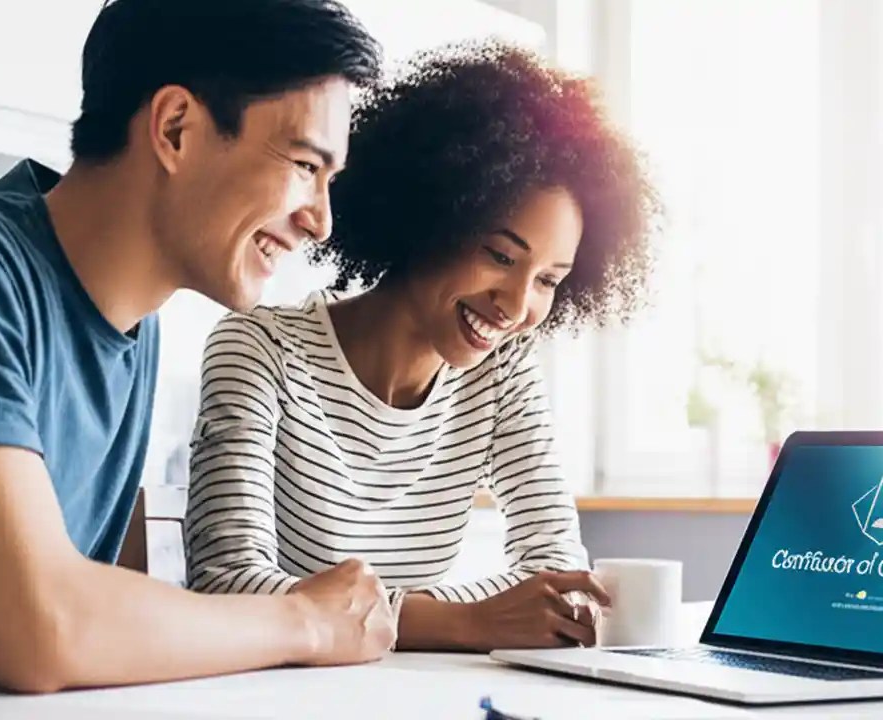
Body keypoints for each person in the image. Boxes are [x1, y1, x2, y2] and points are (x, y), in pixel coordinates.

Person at [0, 0, 396, 700]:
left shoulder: (132, 329)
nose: (321, 220)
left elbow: (83, 620)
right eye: (305, 163)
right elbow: (39, 628)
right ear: (175, 128)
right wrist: (306, 621)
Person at [185, 41, 659, 651]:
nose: (516, 307)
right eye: (499, 256)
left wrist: (396, 621)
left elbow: (559, 570)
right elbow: (225, 584)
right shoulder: (259, 349)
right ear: (430, 215)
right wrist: (465, 623)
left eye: (547, 280)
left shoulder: (503, 373)